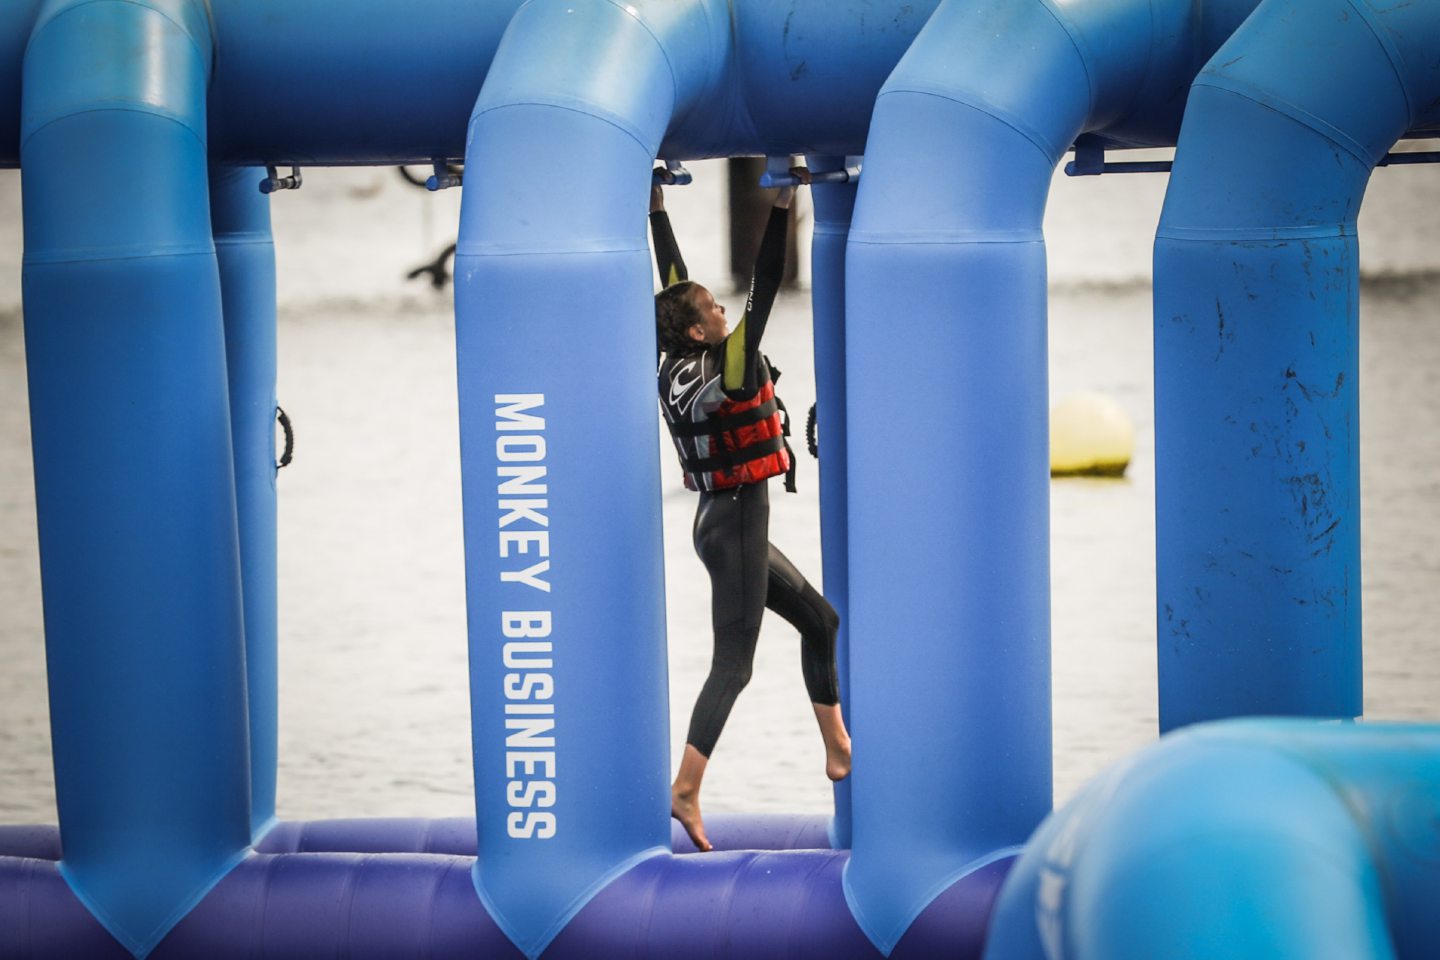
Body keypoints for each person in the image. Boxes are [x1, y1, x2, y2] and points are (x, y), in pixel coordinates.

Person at [650, 174, 851, 853]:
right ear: (698, 327)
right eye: (713, 308)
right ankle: (685, 787)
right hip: (734, 525)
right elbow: (765, 289)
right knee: (733, 666)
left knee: (820, 621)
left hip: (721, 520)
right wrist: (783, 206)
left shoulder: (674, 353)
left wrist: (658, 213)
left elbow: (673, 282)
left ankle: (837, 749)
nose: (725, 311)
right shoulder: (729, 367)